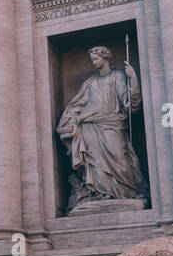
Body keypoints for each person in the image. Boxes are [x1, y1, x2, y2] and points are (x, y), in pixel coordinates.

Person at [56, 46, 148, 207]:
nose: (93, 62)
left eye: (96, 58)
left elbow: (129, 103)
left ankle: (126, 192)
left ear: (106, 58)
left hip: (113, 124)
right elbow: (77, 104)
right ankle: (100, 193)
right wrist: (69, 120)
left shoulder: (117, 77)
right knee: (95, 162)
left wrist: (133, 78)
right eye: (92, 60)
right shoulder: (90, 82)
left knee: (120, 158)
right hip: (90, 127)